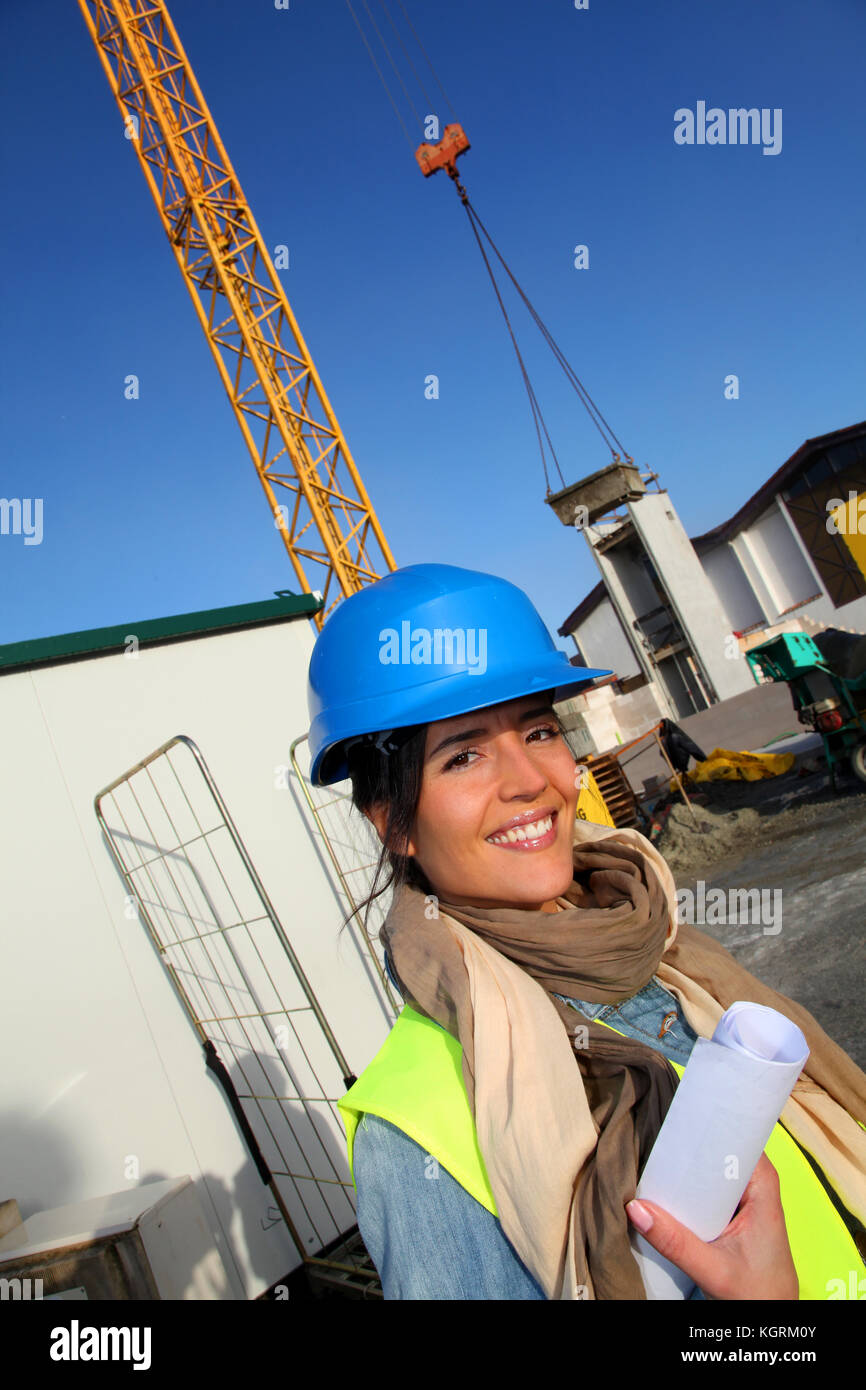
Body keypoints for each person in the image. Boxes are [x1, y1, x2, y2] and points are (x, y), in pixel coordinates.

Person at [306, 563, 866, 1300]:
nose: (529, 779)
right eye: (464, 754)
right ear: (393, 823)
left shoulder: (663, 957)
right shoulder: (414, 1129)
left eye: (539, 730)